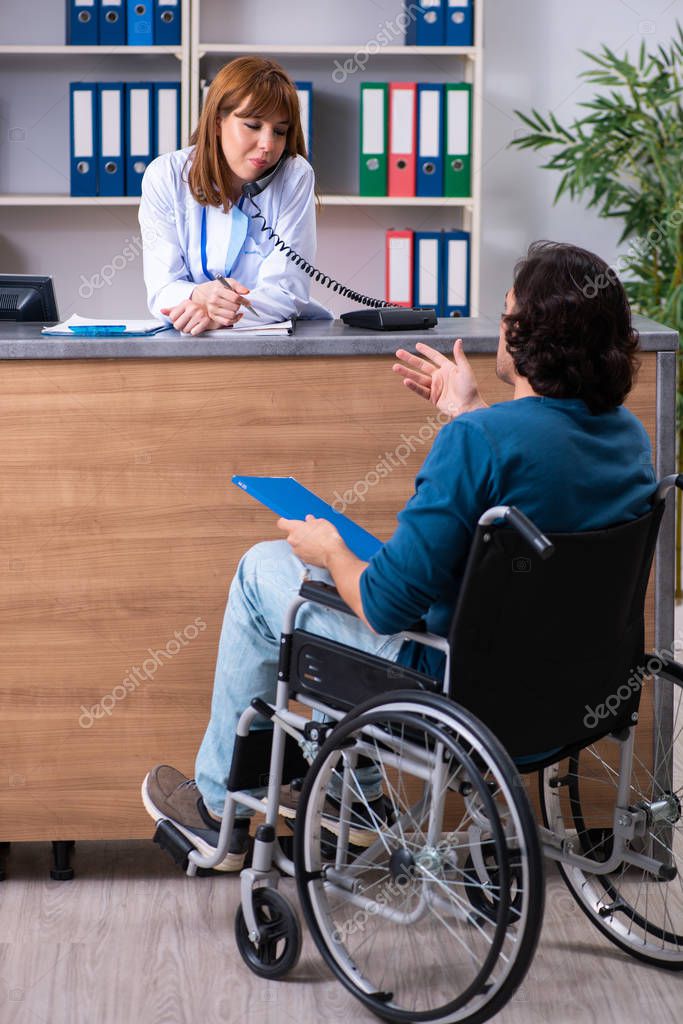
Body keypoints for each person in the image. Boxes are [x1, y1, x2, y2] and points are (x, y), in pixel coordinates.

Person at [142, 241, 656, 870]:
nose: (501, 326)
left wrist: (331, 550)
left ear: (528, 338)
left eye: (507, 314)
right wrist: (468, 412)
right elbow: (545, 474)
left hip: (456, 691)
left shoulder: (478, 443)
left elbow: (384, 607)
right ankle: (351, 799)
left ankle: (222, 811)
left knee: (266, 571)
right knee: (356, 569)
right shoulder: (629, 437)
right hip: (578, 692)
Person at [139, 56, 331, 334]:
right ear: (218, 122)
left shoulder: (295, 175)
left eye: (280, 131)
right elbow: (162, 289)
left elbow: (287, 291)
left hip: (277, 336)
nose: (267, 145)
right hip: (193, 333)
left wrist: (219, 314)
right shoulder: (165, 175)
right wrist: (197, 297)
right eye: (253, 125)